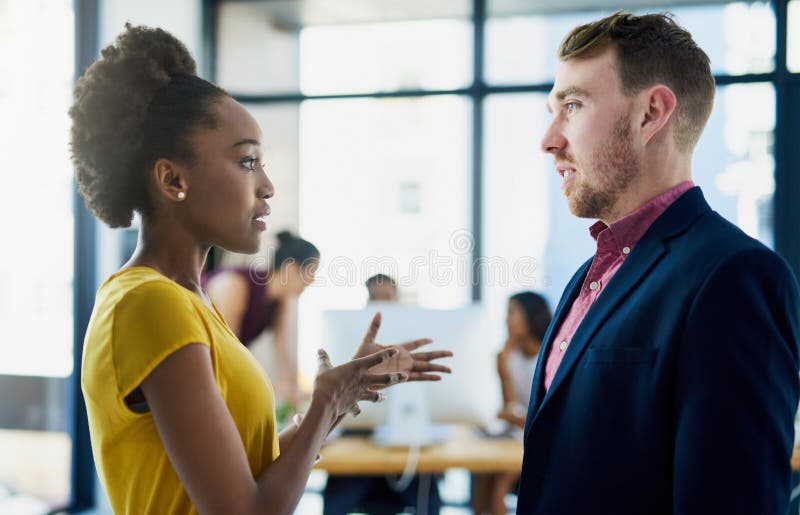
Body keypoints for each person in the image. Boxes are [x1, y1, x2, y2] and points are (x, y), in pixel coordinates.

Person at [71, 24, 453, 515]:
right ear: (172, 179)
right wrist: (323, 402)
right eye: (247, 161)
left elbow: (256, 473)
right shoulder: (149, 301)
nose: (267, 186)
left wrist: (336, 401)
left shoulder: (190, 302)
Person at [517, 11, 800, 514]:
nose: (548, 139)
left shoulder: (734, 277)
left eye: (573, 105)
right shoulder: (589, 277)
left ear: (651, 114)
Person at [203, 231, 319, 403]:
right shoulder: (234, 284)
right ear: (291, 269)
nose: (312, 280)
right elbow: (225, 354)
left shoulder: (280, 300)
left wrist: (294, 391)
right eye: (311, 271)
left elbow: (282, 351)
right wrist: (267, 386)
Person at [472, 292, 551, 515]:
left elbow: (545, 417)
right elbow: (511, 407)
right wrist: (504, 373)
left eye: (511, 313)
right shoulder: (506, 357)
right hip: (515, 435)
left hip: (537, 438)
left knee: (499, 481)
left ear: (531, 317)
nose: (505, 320)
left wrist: (513, 416)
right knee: (482, 472)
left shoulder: (549, 357)